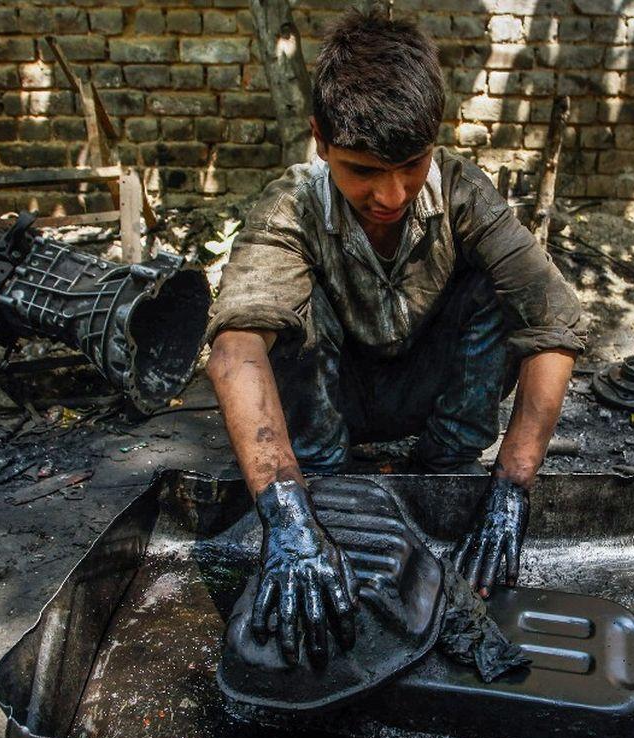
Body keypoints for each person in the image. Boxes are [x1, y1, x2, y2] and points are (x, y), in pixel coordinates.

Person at [205, 10, 585, 666]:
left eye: (411, 166)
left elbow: (554, 326)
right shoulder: (291, 203)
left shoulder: (465, 194)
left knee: (503, 292)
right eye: (362, 171)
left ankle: (445, 470)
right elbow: (234, 351)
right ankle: (327, 489)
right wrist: (286, 518)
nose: (391, 193)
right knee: (279, 316)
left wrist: (511, 489)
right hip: (336, 404)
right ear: (320, 141)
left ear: (435, 140)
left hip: (427, 396)